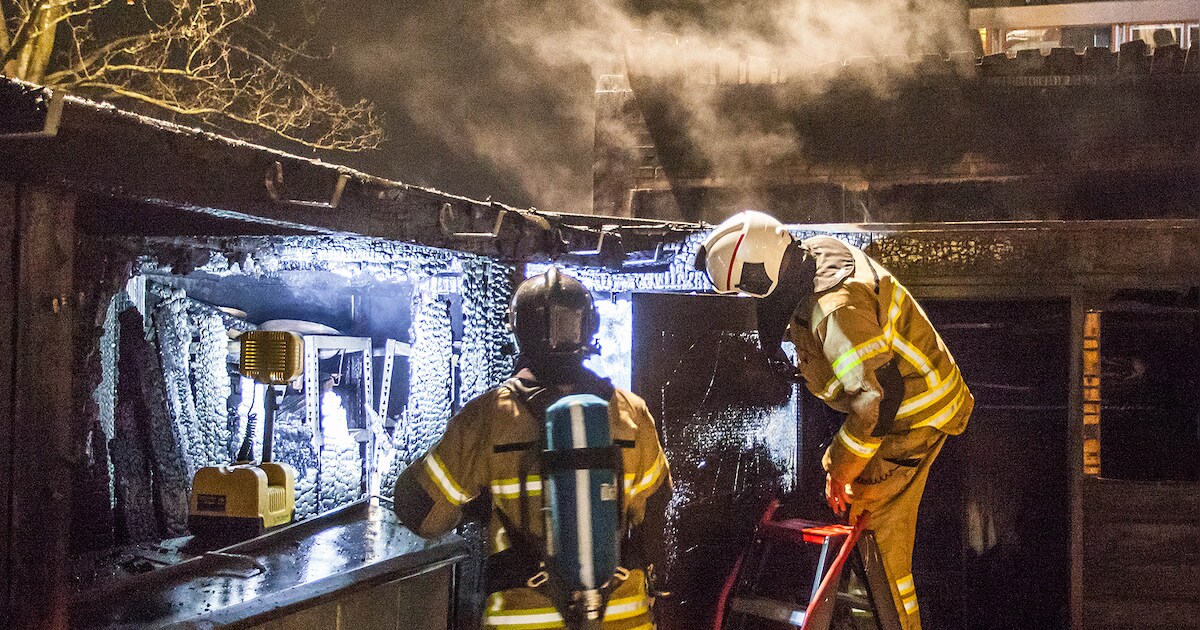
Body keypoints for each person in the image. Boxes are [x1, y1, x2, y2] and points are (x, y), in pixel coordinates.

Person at [695, 210, 973, 630]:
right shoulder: (810, 257)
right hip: (902, 409)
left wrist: (840, 468)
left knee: (875, 537)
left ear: (759, 275)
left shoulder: (836, 308)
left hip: (913, 416)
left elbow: (876, 399)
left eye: (747, 290)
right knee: (858, 526)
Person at [394, 267, 671, 630]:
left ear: (518, 332)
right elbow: (656, 508)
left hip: (523, 620)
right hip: (624, 619)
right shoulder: (631, 412)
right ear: (589, 329)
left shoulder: (488, 417)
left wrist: (476, 505)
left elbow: (419, 512)